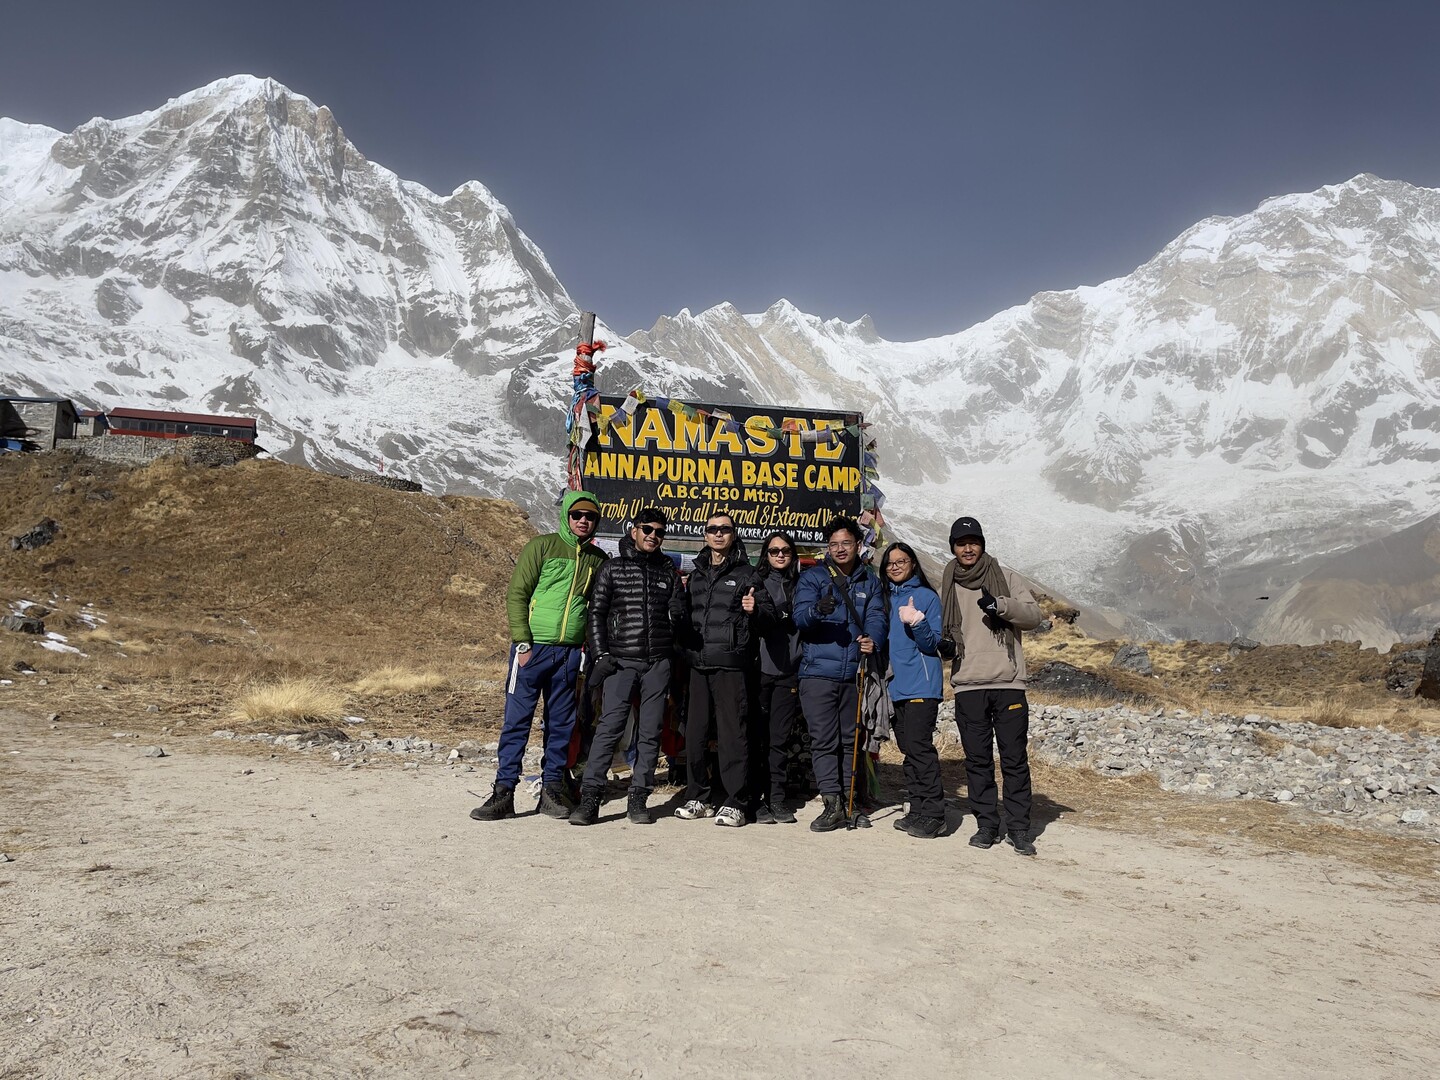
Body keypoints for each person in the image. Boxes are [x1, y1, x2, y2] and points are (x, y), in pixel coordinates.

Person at [470, 490, 607, 821]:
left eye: (590, 517)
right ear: (566, 516)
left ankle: (552, 791)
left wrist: (586, 648)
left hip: (570, 654)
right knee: (516, 722)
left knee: (561, 724)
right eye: (577, 515)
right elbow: (517, 594)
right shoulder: (541, 547)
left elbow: (596, 607)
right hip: (532, 650)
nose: (583, 521)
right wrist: (522, 642)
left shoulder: (597, 559)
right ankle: (503, 793)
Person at [570, 508, 684, 826]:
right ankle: (590, 798)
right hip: (620, 661)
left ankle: (639, 798)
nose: (653, 535)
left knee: (650, 732)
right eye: (647, 529)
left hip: (658, 663)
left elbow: (680, 617)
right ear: (634, 531)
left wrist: (679, 613)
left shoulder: (668, 573)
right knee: (609, 728)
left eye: (659, 531)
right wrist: (601, 654)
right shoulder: (612, 568)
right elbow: (596, 614)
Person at [941, 516, 1044, 856]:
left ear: (982, 545)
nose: (968, 548)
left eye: (973, 542)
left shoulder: (1006, 578)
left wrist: (1001, 606)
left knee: (1014, 760)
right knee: (977, 761)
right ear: (953, 548)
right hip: (968, 684)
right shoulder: (947, 583)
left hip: (1008, 682)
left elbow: (1033, 616)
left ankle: (1019, 829)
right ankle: (986, 824)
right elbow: (944, 632)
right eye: (961, 543)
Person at [794, 516, 888, 832]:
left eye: (845, 543)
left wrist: (872, 639)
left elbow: (876, 617)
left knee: (851, 741)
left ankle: (850, 804)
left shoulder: (869, 581)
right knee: (823, 740)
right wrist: (817, 610)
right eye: (833, 544)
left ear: (858, 545)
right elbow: (800, 619)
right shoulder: (813, 577)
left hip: (854, 676)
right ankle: (831, 803)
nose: (839, 549)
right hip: (817, 674)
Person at [675, 512, 768, 827]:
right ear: (705, 535)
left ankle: (736, 803)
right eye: (712, 529)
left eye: (724, 529)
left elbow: (768, 615)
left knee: (733, 735)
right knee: (695, 734)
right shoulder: (696, 575)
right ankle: (698, 798)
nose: (718, 534)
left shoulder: (747, 574)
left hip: (730, 664)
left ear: (733, 534)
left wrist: (756, 611)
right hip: (697, 664)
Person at [880, 542, 946, 839]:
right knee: (909, 750)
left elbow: (933, 644)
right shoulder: (886, 599)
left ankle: (935, 814)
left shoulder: (926, 597)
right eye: (890, 563)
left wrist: (917, 621)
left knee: (920, 749)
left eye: (901, 561)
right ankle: (917, 809)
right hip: (896, 687)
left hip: (921, 684)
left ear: (913, 564)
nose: (895, 567)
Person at [751, 530, 802, 824]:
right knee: (756, 737)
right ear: (766, 554)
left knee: (779, 740)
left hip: (788, 672)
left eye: (785, 550)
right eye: (774, 551)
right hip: (759, 671)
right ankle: (755, 798)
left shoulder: (801, 586)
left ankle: (777, 798)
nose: (780, 555)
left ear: (792, 554)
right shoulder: (756, 583)